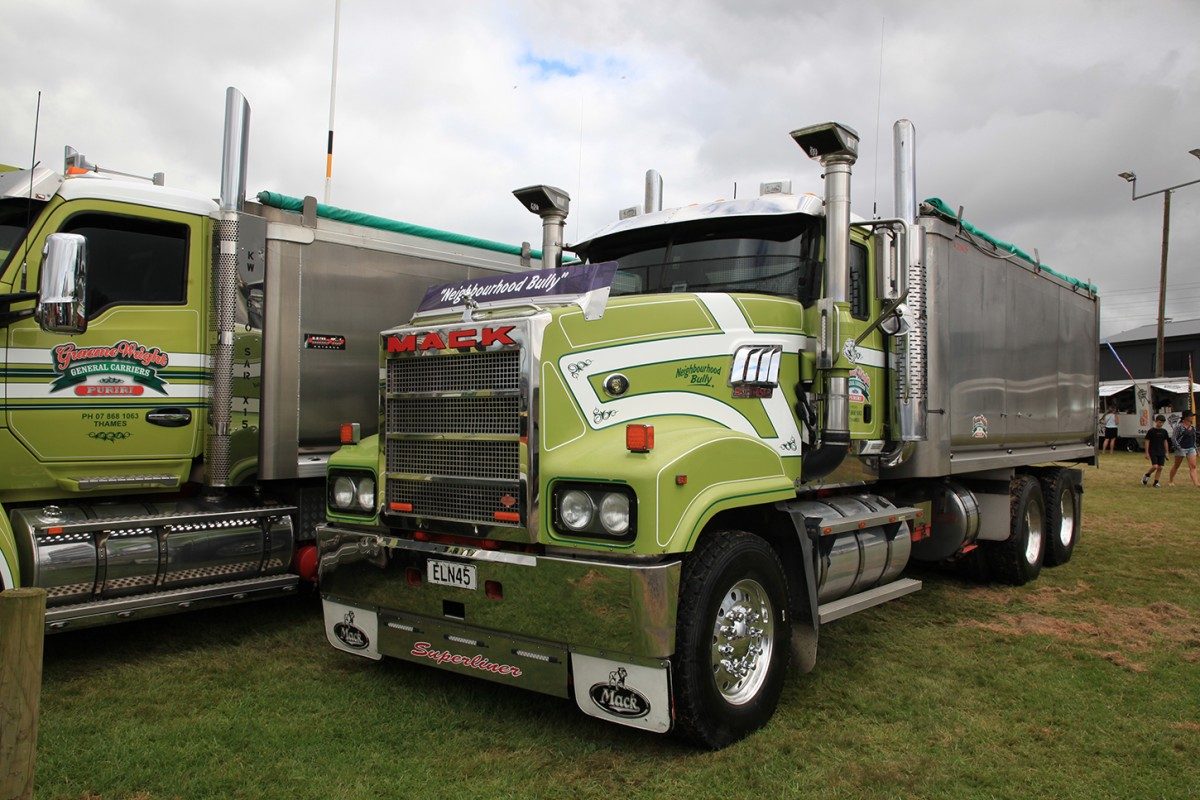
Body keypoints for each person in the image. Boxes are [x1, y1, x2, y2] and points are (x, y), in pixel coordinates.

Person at [1167, 409, 1199, 488]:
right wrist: (1178, 447)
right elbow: (1173, 438)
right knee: (1176, 465)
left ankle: (1197, 483)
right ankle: (1171, 480)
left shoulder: (1192, 427)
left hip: (1191, 448)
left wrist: (1197, 450)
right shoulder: (1179, 427)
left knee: (1193, 466)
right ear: (1185, 417)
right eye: (1190, 416)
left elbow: (1193, 439)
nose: (1192, 417)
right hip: (1181, 448)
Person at [1142, 414, 1170, 488]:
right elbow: (1147, 441)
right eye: (1160, 422)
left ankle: (1156, 482)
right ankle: (1147, 475)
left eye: (1162, 423)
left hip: (1161, 451)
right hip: (1153, 451)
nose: (1161, 424)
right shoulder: (1151, 431)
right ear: (1156, 421)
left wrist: (1167, 452)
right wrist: (1147, 453)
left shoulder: (1164, 431)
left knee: (1160, 467)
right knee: (1155, 466)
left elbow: (1165, 442)